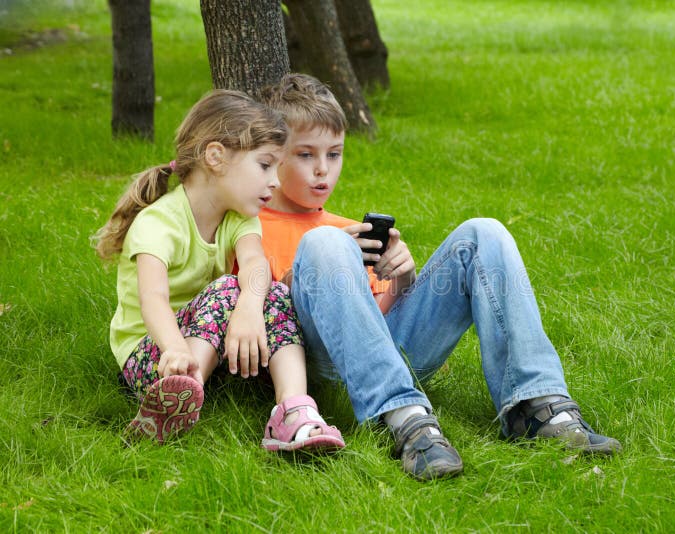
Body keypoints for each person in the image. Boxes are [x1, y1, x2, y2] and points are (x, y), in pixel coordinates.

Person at [257, 74, 621, 480]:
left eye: (335, 154)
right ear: (273, 155)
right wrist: (307, 271)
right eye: (306, 155)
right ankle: (407, 421)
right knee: (324, 244)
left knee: (484, 233)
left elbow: (376, 326)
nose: (323, 170)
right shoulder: (248, 228)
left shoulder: (349, 231)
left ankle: (536, 405)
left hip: (381, 355)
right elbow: (253, 313)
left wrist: (401, 280)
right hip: (317, 359)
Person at [93, 89, 344, 452]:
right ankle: (178, 394)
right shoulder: (158, 223)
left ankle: (294, 411)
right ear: (216, 157)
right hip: (154, 357)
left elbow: (256, 263)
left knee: (274, 292)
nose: (275, 181)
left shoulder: (239, 219)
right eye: (264, 165)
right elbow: (154, 300)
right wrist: (175, 350)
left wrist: (249, 308)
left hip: (204, 340)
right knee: (229, 287)